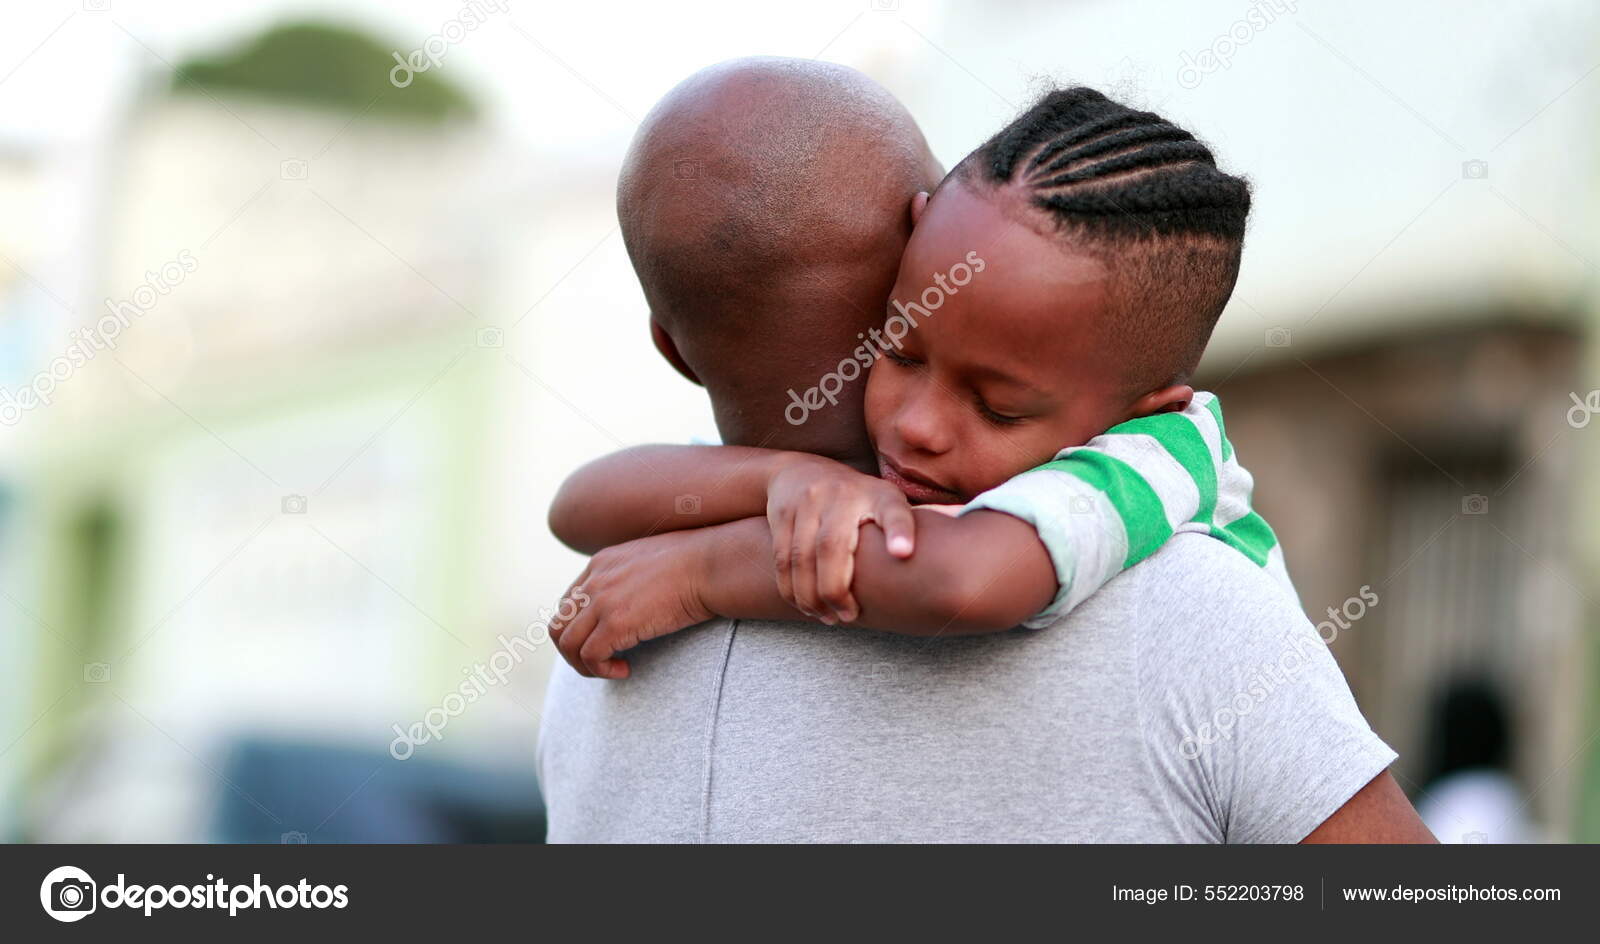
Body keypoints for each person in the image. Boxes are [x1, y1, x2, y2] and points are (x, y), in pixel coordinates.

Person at [536, 59, 1433, 843]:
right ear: (921, 235)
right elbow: (578, 503)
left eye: (999, 406)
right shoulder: (695, 543)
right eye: (901, 350)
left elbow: (959, 579)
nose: (922, 426)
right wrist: (786, 480)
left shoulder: (1165, 473)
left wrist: (701, 573)